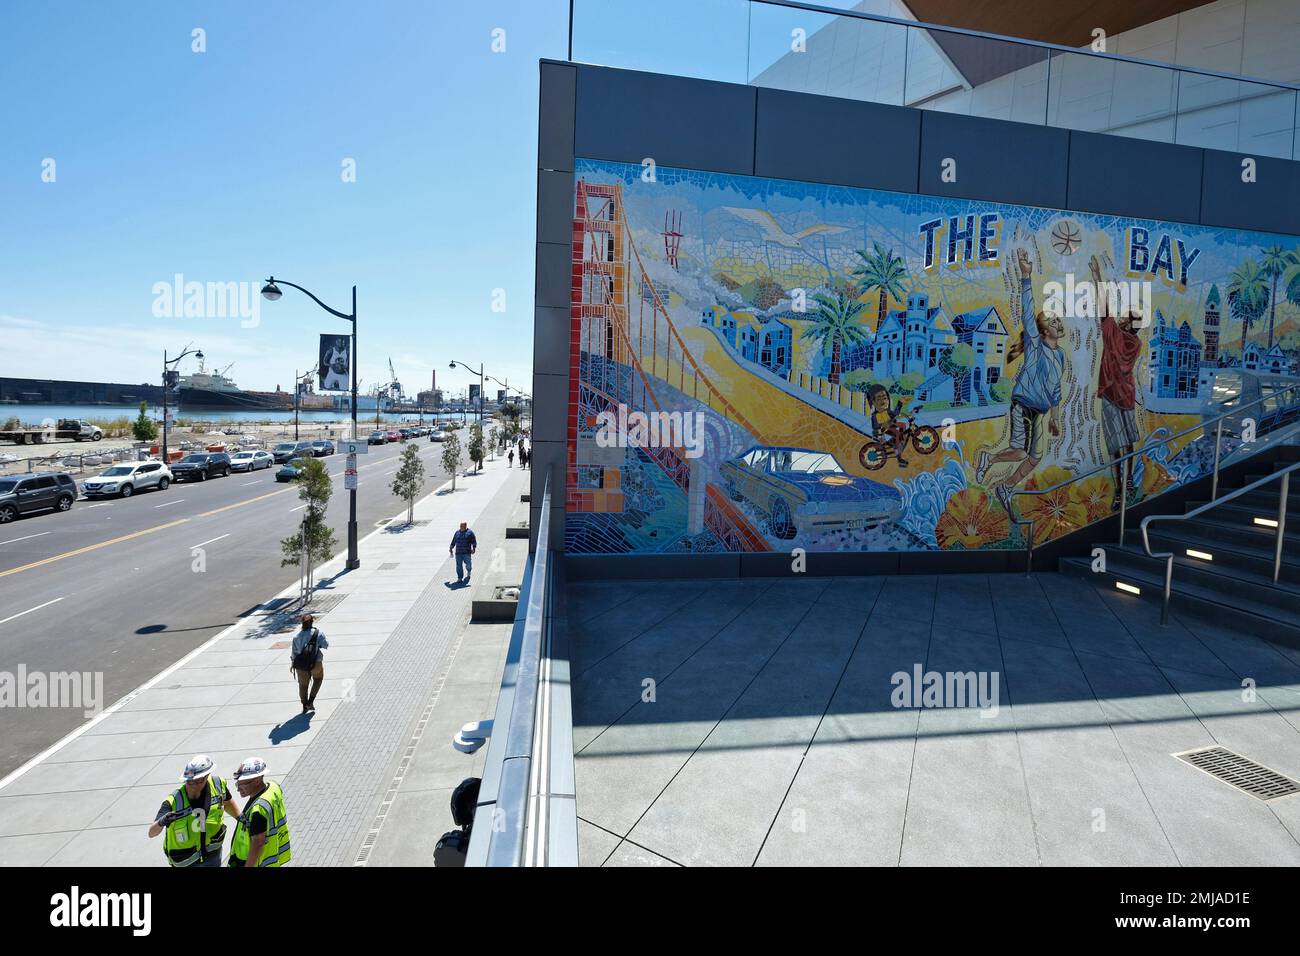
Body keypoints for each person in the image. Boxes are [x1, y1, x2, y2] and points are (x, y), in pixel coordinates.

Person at [976, 248, 1066, 512]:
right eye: (1052, 321)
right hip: (1023, 404)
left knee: (1035, 457)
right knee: (1019, 452)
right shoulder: (1036, 345)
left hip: (1040, 411)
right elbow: (1028, 312)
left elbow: (1056, 390)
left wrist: (1055, 418)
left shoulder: (1059, 355)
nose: (1058, 323)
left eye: (1058, 319)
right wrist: (1026, 277)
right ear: (1043, 330)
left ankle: (1006, 486)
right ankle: (988, 458)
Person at [1090, 254, 1144, 509]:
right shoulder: (1136, 343)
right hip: (1127, 395)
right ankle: (1129, 480)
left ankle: (1120, 488)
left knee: (1114, 443)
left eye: (1127, 316)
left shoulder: (1115, 335)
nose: (1122, 317)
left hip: (1112, 395)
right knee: (1129, 439)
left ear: (1130, 324)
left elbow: (1104, 310)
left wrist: (1097, 278)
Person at [148, 754, 240, 867]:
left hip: (213, 854)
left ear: (206, 777)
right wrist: (162, 822)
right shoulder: (173, 802)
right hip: (186, 861)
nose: (192, 785)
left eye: (197, 782)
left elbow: (227, 802)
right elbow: (151, 833)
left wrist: (240, 818)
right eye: (189, 782)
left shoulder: (218, 785)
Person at [228, 757, 291, 867]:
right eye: (238, 784)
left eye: (242, 784)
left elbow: (258, 843)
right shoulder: (273, 787)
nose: (238, 789)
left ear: (257, 780)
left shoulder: (258, 810)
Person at [290, 613, 327, 714]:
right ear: (312, 622)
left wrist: (293, 663)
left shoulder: (296, 637)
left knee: (303, 685)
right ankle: (311, 701)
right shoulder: (318, 633)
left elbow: (294, 654)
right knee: (318, 679)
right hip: (316, 663)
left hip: (301, 666)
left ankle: (304, 705)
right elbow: (325, 645)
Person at [866, 384, 911, 467]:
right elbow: (877, 427)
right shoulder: (875, 416)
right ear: (873, 402)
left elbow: (895, 414)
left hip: (889, 428)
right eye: (878, 399)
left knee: (903, 426)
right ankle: (898, 456)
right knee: (897, 434)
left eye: (885, 398)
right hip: (882, 432)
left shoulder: (887, 411)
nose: (883, 401)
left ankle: (898, 442)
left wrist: (900, 403)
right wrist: (882, 430)